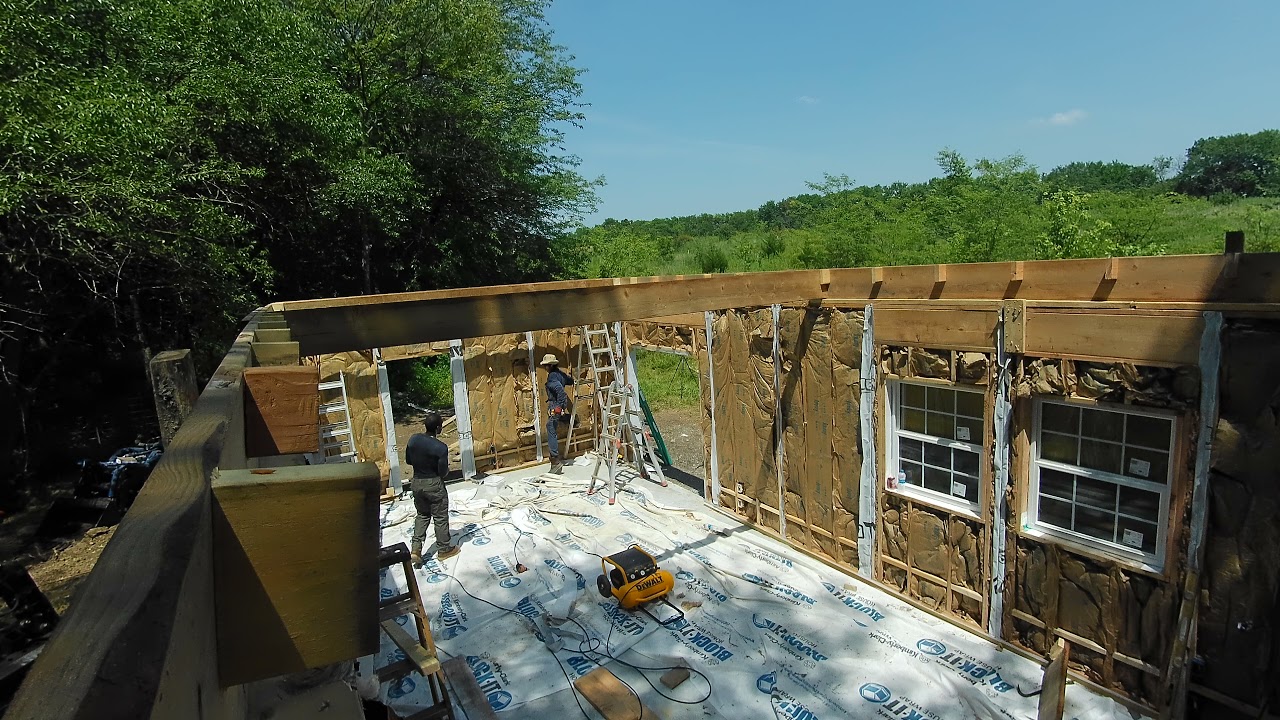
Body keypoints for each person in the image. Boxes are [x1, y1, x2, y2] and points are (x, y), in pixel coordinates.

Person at [405, 411, 459, 567]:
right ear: (438, 428)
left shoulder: (413, 439)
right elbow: (443, 472)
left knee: (422, 515)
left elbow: (408, 460)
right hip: (433, 484)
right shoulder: (440, 447)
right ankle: (444, 549)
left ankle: (416, 549)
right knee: (440, 517)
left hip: (417, 483)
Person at [540, 353, 574, 474]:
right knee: (553, 425)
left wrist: (560, 407)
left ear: (549, 366)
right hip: (557, 405)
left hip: (555, 406)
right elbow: (570, 381)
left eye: (546, 366)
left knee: (550, 428)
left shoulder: (552, 377)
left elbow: (560, 391)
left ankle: (555, 461)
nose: (545, 368)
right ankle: (568, 419)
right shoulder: (560, 374)